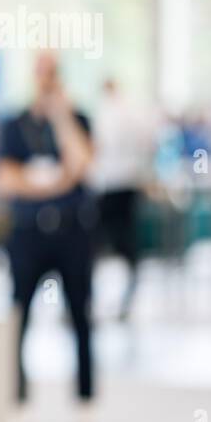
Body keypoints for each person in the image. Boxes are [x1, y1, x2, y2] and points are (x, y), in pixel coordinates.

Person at [0, 51, 96, 422]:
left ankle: (85, 399)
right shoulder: (14, 123)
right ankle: (17, 401)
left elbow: (82, 163)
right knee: (20, 315)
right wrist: (55, 182)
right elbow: (4, 178)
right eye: (42, 73)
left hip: (73, 232)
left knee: (81, 315)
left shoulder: (77, 118)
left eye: (53, 73)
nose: (47, 80)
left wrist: (62, 115)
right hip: (28, 233)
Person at [90, 77, 152, 319]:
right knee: (123, 243)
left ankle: (120, 294)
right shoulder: (129, 112)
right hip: (124, 185)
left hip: (112, 186)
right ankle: (122, 292)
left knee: (106, 242)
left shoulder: (108, 113)